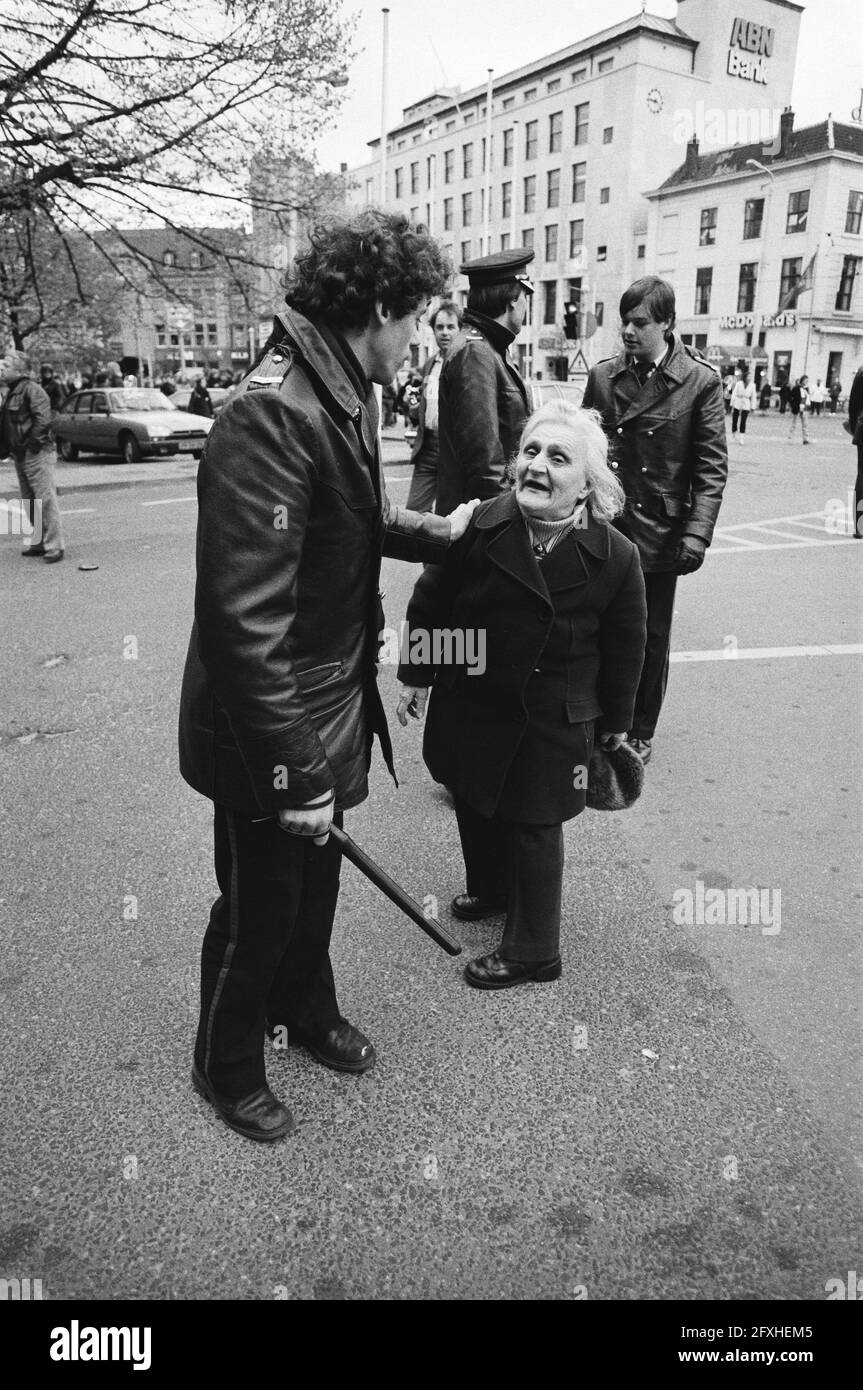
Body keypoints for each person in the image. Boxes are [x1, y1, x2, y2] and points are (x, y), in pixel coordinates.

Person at [178, 209, 478, 1144]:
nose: (422, 339)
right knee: (260, 905)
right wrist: (295, 769)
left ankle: (305, 1014)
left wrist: (440, 532)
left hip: (323, 699)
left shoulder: (341, 384)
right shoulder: (274, 407)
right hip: (273, 718)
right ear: (379, 305)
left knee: (315, 890)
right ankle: (224, 1064)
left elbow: (350, 516)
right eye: (418, 317)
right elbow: (243, 623)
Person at [396, 402, 646, 988]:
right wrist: (418, 675)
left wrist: (616, 722)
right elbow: (434, 599)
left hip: (553, 711)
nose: (537, 466)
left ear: (588, 484)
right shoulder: (481, 522)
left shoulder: (616, 556)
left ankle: (536, 950)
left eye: (559, 459)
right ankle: (492, 887)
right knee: (475, 794)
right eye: (531, 452)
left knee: (534, 822)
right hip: (474, 695)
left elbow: (629, 648)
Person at [581, 276, 727, 765]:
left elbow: (710, 470)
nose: (628, 331)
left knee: (649, 639)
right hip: (606, 526)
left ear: (667, 323)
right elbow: (585, 452)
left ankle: (640, 729)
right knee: (595, 628)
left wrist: (697, 534)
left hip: (659, 534)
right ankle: (599, 719)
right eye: (624, 321)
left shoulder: (700, 381)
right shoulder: (604, 376)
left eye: (640, 322)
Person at [436, 249, 534, 516]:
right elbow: (485, 463)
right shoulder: (476, 352)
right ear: (513, 300)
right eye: (526, 296)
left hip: (484, 518)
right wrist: (508, 522)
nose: (526, 305)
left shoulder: (490, 348)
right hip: (481, 524)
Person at [0, 351, 64, 563]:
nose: (2, 367)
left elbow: (43, 420)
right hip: (21, 452)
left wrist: (31, 446)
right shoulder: (12, 391)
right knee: (29, 500)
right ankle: (38, 542)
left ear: (20, 370)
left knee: (45, 499)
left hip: (35, 452)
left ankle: (55, 546)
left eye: (7, 364)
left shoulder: (32, 390)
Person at [405, 300, 462, 512]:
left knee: (448, 514)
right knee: (414, 511)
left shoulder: (465, 362)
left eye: (450, 327)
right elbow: (423, 402)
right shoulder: (430, 363)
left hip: (452, 450)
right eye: (439, 327)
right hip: (427, 446)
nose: (444, 333)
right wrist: (413, 406)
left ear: (460, 329)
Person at [847, 365, 863, 540]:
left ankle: (860, 527)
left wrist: (854, 427)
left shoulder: (861, 371)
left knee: (862, 476)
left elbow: (853, 404)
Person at [730, 369, 756, 443]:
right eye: (749, 376)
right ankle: (734, 434)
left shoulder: (752, 385)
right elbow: (734, 393)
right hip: (737, 402)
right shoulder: (739, 383)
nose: (750, 378)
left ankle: (742, 437)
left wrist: (753, 407)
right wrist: (732, 403)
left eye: (751, 377)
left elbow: (753, 396)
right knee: (735, 420)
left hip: (746, 403)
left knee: (743, 421)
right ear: (745, 377)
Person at [788, 375, 810, 443]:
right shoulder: (796, 388)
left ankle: (805, 439)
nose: (807, 382)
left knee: (805, 424)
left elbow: (807, 399)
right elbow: (790, 397)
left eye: (807, 381)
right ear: (802, 380)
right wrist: (793, 406)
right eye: (806, 380)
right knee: (794, 423)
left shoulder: (806, 389)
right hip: (797, 408)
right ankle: (790, 437)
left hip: (805, 409)